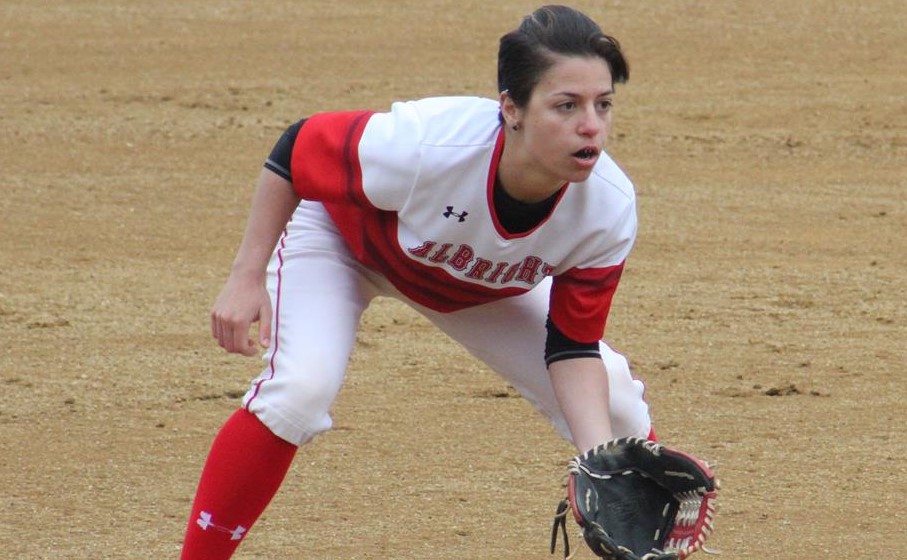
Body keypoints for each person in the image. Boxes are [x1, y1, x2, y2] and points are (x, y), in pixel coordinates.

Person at [180, 5, 657, 558]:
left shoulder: (606, 209)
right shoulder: (431, 145)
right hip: (343, 244)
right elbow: (296, 147)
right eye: (566, 105)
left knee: (618, 410)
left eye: (603, 104)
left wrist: (599, 461)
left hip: (473, 284)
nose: (591, 125)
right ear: (512, 109)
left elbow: (572, 346)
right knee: (299, 393)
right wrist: (246, 276)